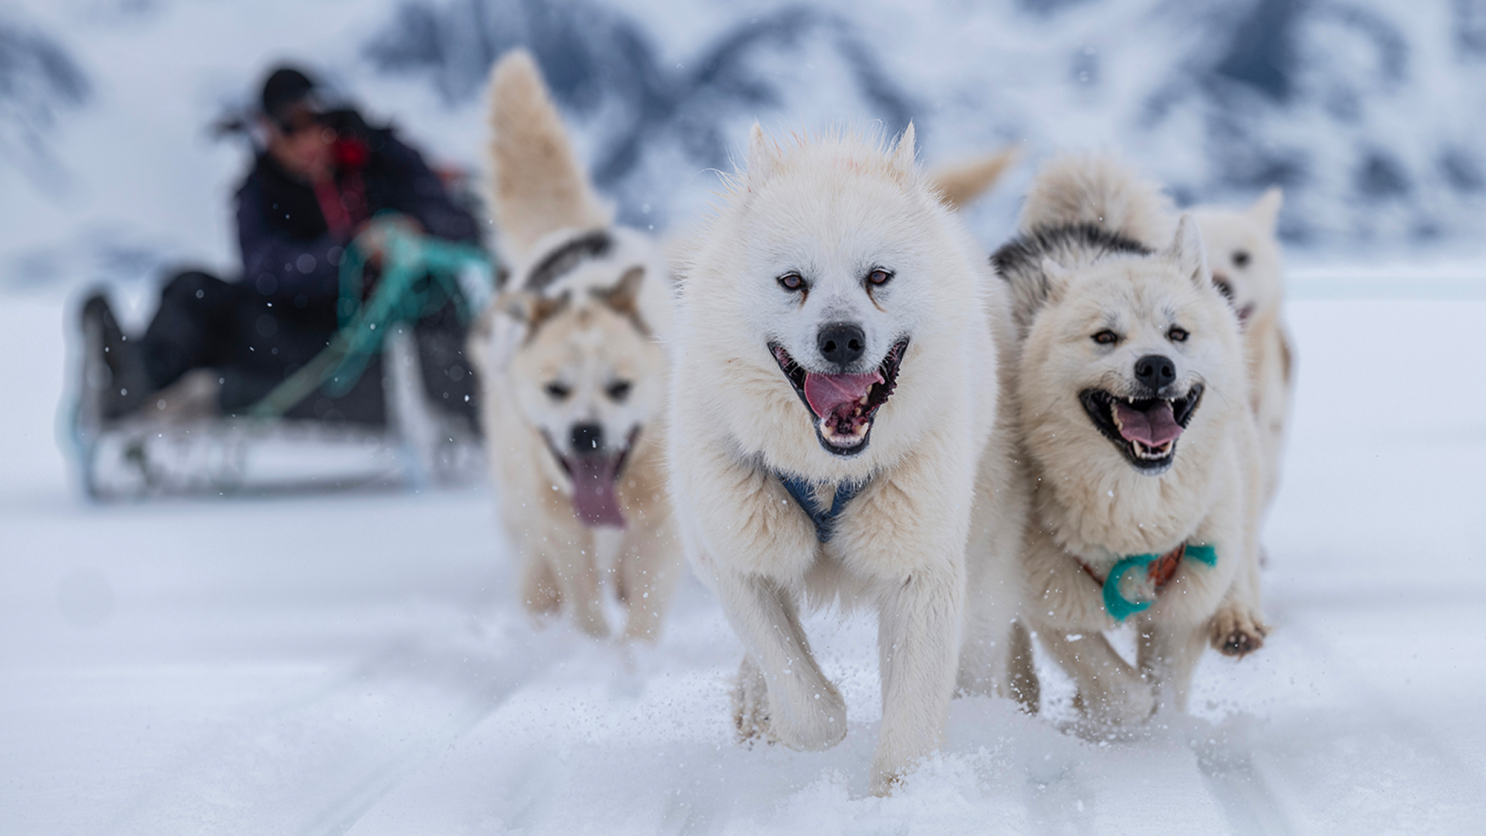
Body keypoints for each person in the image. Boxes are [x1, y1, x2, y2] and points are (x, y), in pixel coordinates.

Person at [80, 65, 483, 427]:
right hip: (297, 333)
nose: (308, 139)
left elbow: (460, 223)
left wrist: (413, 228)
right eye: (291, 128)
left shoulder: (382, 158)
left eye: (316, 123)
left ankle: (221, 396)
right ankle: (133, 383)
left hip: (395, 332)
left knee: (417, 366)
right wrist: (350, 254)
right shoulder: (258, 191)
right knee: (191, 289)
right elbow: (266, 271)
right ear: (267, 131)